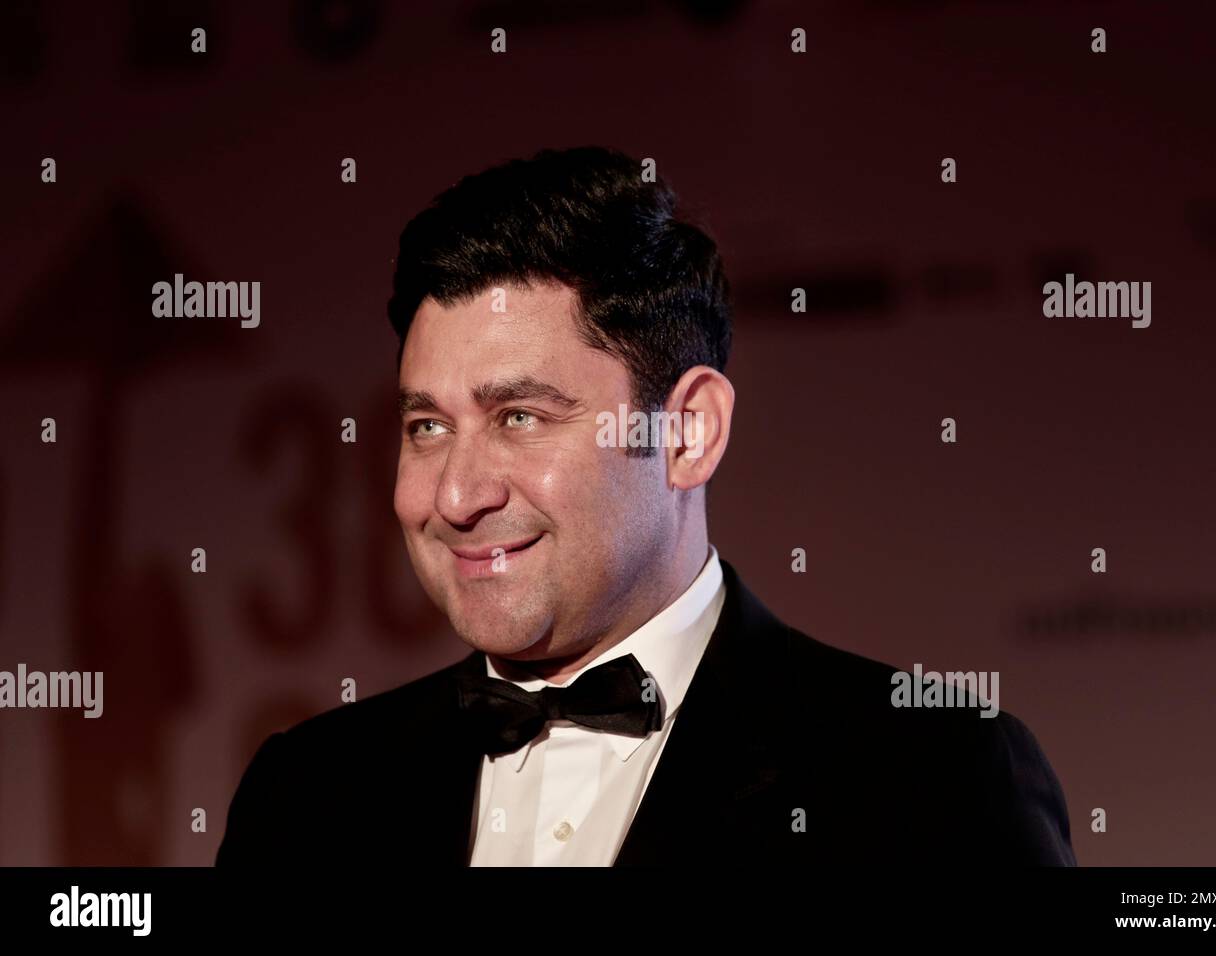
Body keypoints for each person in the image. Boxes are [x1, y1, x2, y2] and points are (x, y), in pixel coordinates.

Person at [215, 145, 1076, 867]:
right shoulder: (306, 797)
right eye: (429, 426)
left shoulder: (931, 779)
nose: (454, 496)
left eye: (521, 417)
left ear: (687, 432)